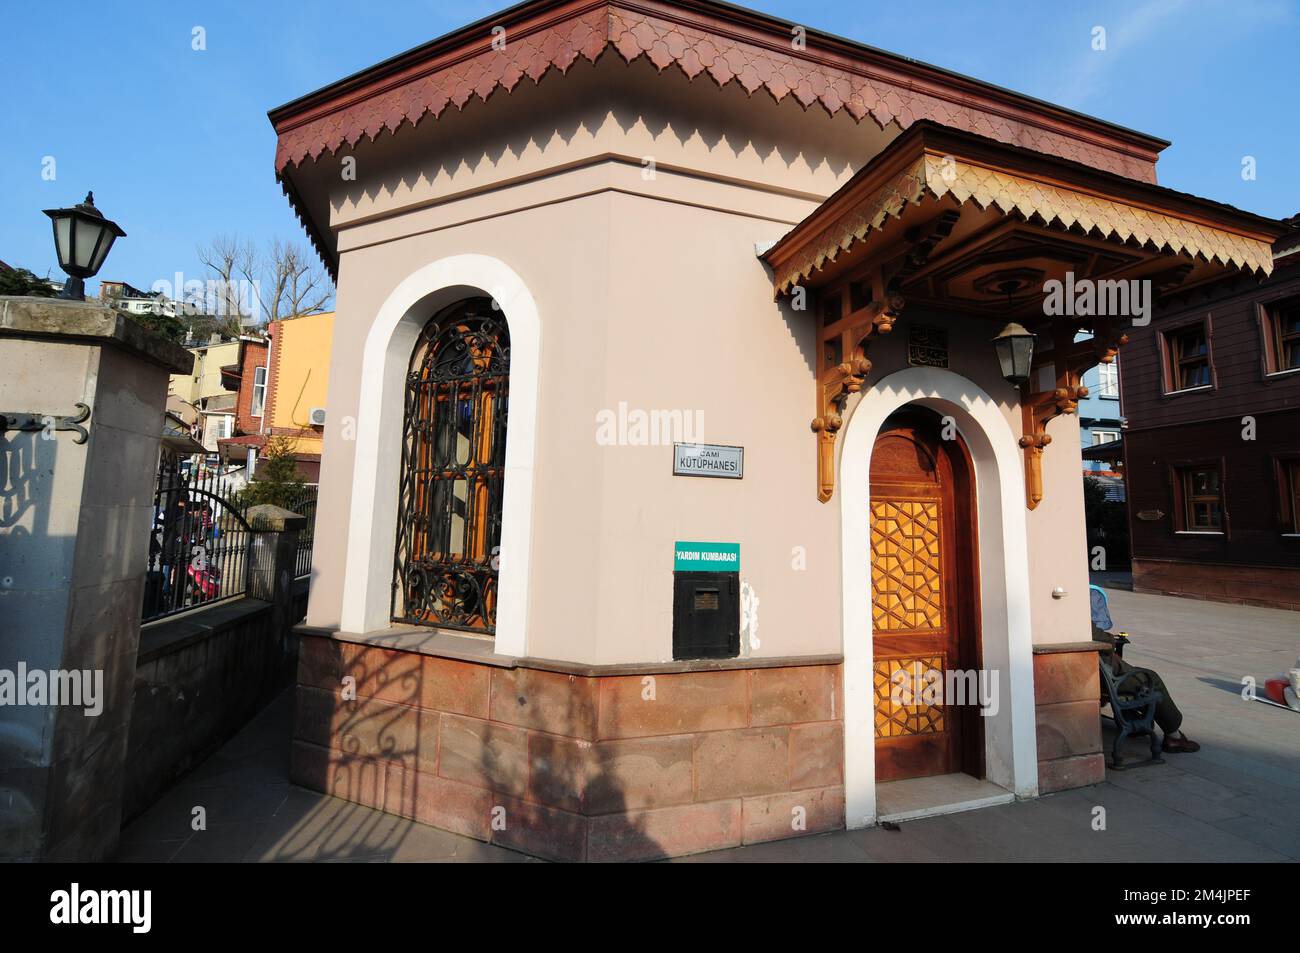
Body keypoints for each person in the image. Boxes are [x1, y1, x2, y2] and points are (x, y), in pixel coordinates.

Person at [1090, 586, 1200, 754]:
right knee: (1151, 679)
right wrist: (1111, 639)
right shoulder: (1077, 621)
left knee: (1137, 676)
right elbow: (1103, 640)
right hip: (1110, 676)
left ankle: (1140, 723)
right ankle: (1174, 735)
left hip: (1099, 674)